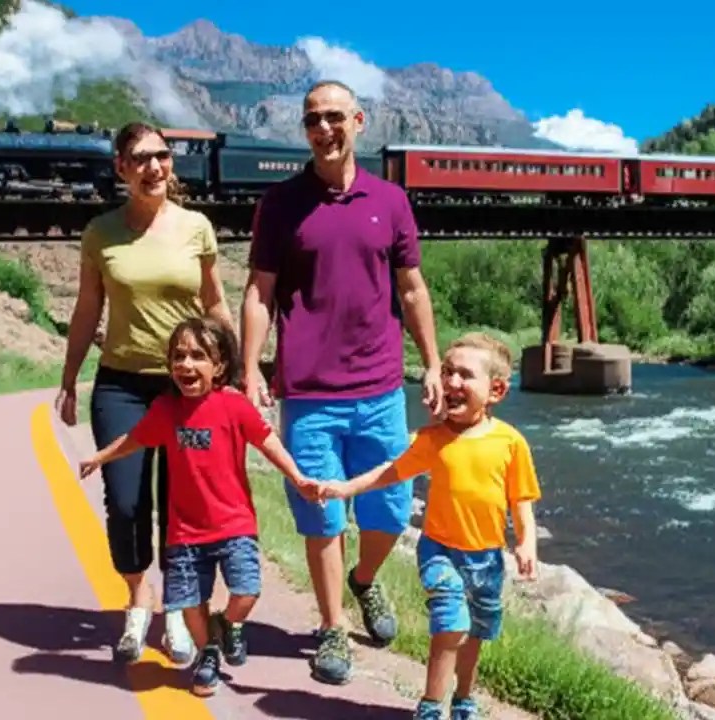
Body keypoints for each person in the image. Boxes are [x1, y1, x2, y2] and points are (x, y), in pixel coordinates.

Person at [241, 79, 444, 685]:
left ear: (359, 121)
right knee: (322, 517)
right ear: (304, 130)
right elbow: (259, 292)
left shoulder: (392, 200)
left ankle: (364, 580)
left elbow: (412, 289)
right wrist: (251, 369)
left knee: (389, 510)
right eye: (312, 120)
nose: (323, 129)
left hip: (381, 388)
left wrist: (431, 362)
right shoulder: (279, 204)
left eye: (334, 117)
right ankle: (332, 626)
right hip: (308, 394)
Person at [57, 121, 234, 666]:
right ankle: (139, 597)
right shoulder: (101, 233)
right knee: (127, 500)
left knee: (181, 505)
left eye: (161, 155)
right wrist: (68, 380)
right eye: (140, 158)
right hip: (121, 384)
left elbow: (215, 304)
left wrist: (236, 373)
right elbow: (89, 309)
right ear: (121, 168)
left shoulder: (196, 227)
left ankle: (177, 612)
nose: (153, 167)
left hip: (186, 389)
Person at [77, 317, 321, 695]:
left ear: (219, 365)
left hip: (234, 524)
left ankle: (225, 625)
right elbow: (135, 440)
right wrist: (101, 457)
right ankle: (208, 654)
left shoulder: (233, 406)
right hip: (186, 532)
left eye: (198, 356)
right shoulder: (166, 409)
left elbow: (268, 441)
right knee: (190, 602)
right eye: (178, 356)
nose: (186, 365)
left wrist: (297, 477)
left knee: (247, 590)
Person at [313, 333, 541, 720]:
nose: (452, 382)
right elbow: (390, 472)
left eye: (465, 375)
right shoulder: (431, 440)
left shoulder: (510, 443)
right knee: (451, 626)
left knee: (474, 636)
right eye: (447, 371)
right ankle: (431, 706)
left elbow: (521, 501)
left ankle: (464, 699)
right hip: (440, 551)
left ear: (496, 391)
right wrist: (344, 488)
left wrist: (527, 543)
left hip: (486, 559)